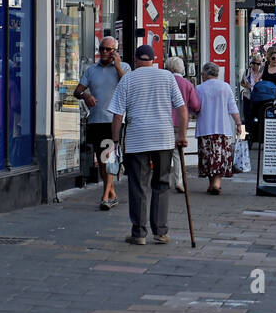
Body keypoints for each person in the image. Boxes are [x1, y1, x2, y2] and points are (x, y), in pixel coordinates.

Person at [108, 44, 187, 244]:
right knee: (161, 183)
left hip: (137, 139)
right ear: (154, 60)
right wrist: (182, 135)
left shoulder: (128, 78)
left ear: (136, 60)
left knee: (138, 185)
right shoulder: (167, 77)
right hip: (163, 137)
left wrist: (115, 141)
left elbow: (118, 115)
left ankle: (139, 233)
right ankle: (160, 232)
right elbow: (182, 109)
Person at [75, 36, 130, 210]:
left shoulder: (124, 68)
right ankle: (111, 194)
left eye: (108, 49)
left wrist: (118, 66)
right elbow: (77, 91)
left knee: (110, 158)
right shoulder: (91, 70)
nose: (104, 52)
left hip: (113, 120)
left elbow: (127, 86)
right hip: (96, 119)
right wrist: (86, 95)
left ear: (115, 51)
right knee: (102, 159)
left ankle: (106, 196)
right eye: (102, 49)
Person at [193, 61, 243, 195]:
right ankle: (215, 183)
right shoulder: (225, 87)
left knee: (208, 157)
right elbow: (233, 108)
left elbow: (195, 108)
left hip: (205, 128)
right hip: (223, 128)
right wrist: (239, 124)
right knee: (220, 157)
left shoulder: (199, 88)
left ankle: (213, 183)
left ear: (204, 74)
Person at [164, 57, 200, 193]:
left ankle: (164, 179)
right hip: (181, 122)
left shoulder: (165, 82)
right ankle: (179, 181)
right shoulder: (187, 83)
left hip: (165, 122)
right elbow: (196, 105)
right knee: (178, 154)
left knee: (165, 152)